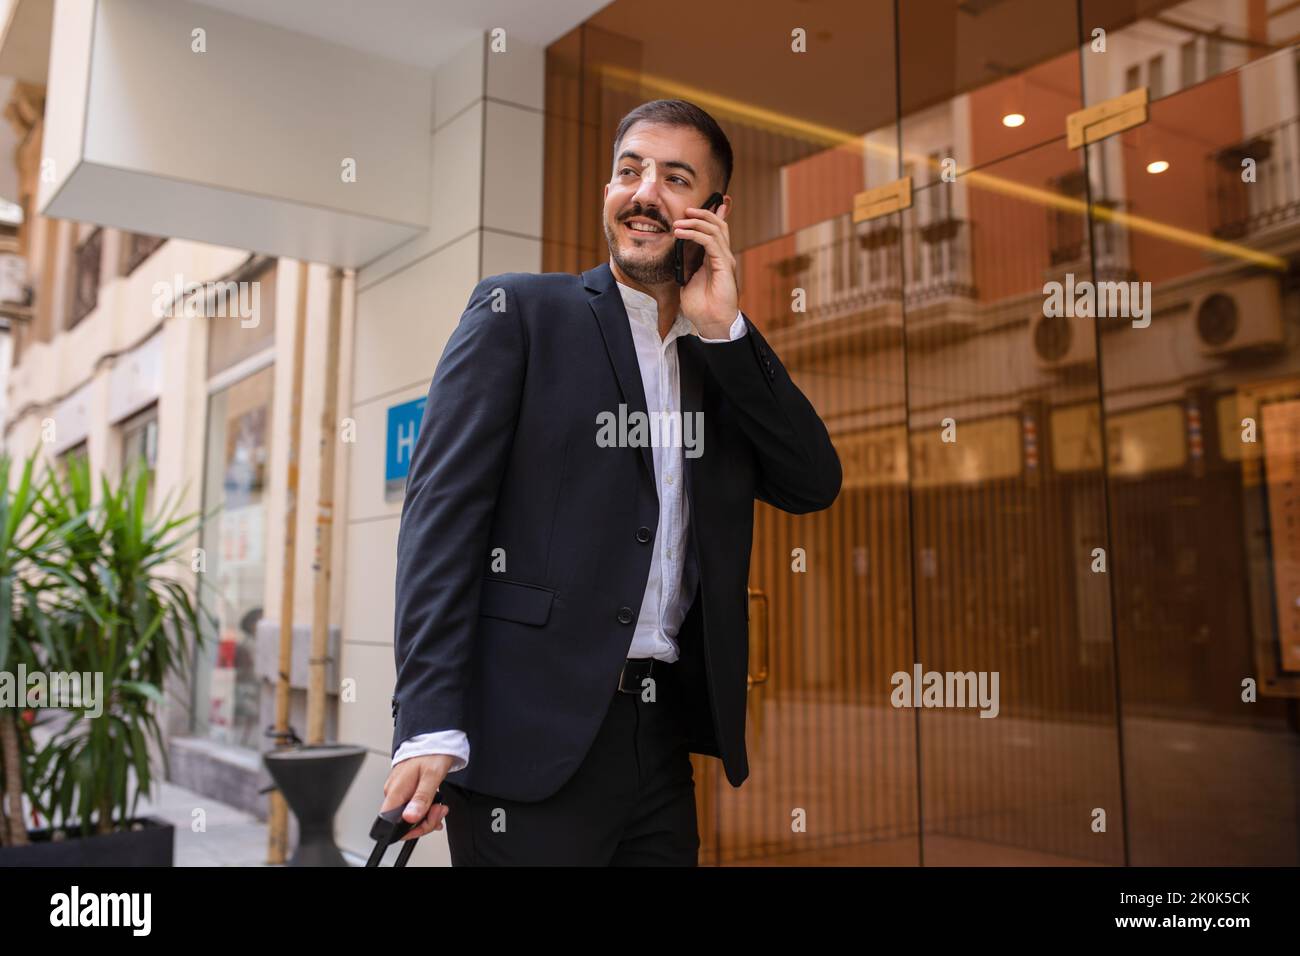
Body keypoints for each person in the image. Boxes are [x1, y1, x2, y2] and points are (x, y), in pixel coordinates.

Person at [380, 99, 841, 865]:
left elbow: (812, 480)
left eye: (675, 178)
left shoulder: (717, 358)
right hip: (527, 742)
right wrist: (427, 721)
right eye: (630, 171)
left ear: (714, 213)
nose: (644, 192)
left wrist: (727, 331)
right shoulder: (521, 314)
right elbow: (441, 525)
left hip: (660, 744)